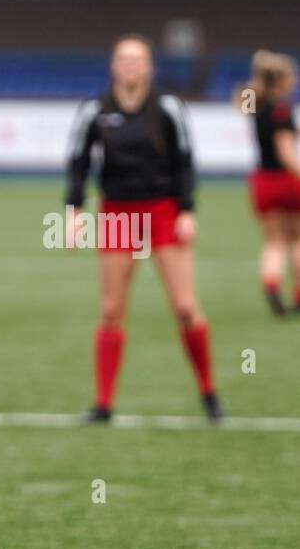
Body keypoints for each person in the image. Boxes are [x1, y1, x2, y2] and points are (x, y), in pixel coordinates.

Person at [65, 33, 222, 423]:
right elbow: (78, 161)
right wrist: (74, 211)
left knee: (186, 308)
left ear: (150, 66)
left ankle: (209, 393)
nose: (130, 66)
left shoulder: (168, 107)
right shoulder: (94, 110)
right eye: (123, 59)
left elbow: (185, 159)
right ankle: (103, 404)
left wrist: (187, 210)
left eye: (138, 60)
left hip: (164, 210)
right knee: (112, 309)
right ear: (113, 66)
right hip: (119, 214)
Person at [244, 50, 300, 316]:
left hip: (263, 181)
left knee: (274, 241)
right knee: (296, 239)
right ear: (281, 80)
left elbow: (244, 96)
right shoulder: (282, 111)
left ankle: (272, 283)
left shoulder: (256, 106)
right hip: (286, 182)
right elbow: (286, 153)